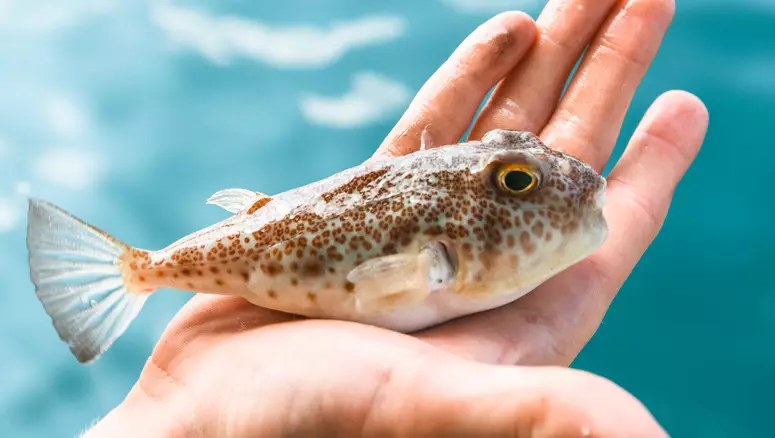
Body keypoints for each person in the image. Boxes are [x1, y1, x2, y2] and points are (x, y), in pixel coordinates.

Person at [83, 0, 708, 436]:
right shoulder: (435, 250)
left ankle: (137, 270)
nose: (573, 189)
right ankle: (137, 271)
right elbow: (382, 282)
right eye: (518, 182)